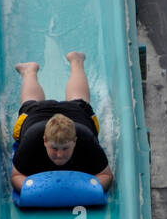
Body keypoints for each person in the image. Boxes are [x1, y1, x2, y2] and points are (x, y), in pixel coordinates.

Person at [10, 51, 113, 194]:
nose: (60, 154)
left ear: (75, 141)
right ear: (44, 141)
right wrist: (34, 191)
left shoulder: (86, 139)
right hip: (37, 114)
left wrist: (89, 190)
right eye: (54, 148)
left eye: (65, 148)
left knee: (79, 102)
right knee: (30, 103)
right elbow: (16, 175)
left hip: (76, 114)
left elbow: (106, 175)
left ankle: (76, 61)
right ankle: (29, 71)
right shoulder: (32, 140)